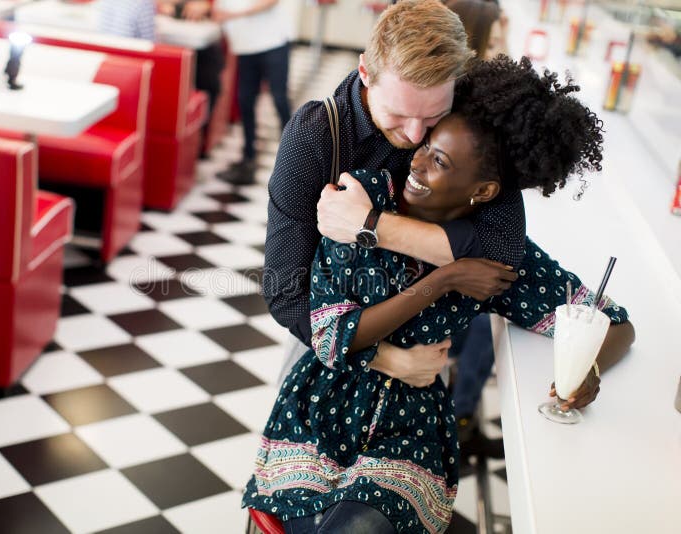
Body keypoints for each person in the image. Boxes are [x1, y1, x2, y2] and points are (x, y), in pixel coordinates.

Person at [243, 56, 635, 533]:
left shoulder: (495, 257)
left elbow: (610, 321)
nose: (416, 161)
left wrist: (588, 370)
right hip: (319, 410)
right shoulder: (362, 200)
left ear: (485, 191)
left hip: (408, 431)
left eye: (440, 160)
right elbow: (332, 334)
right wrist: (445, 280)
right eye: (426, 145)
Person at [263, 0, 522, 399]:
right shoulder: (316, 137)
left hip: (425, 358)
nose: (417, 135)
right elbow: (285, 291)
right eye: (399, 114)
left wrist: (370, 227)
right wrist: (387, 359)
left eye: (434, 116)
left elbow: (502, 251)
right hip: (328, 350)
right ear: (366, 71)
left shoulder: (468, 119)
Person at [443, 0, 512, 460]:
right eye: (499, 37)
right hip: (455, 233)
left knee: (483, 318)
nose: (505, 46)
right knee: (489, 316)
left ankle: (459, 411)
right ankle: (459, 417)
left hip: (458, 228)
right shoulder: (472, 104)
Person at [212, 0, 292, 185]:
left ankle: (295, 161)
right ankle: (248, 160)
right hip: (245, 47)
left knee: (279, 99)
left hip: (273, 43)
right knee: (245, 102)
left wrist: (232, 15)